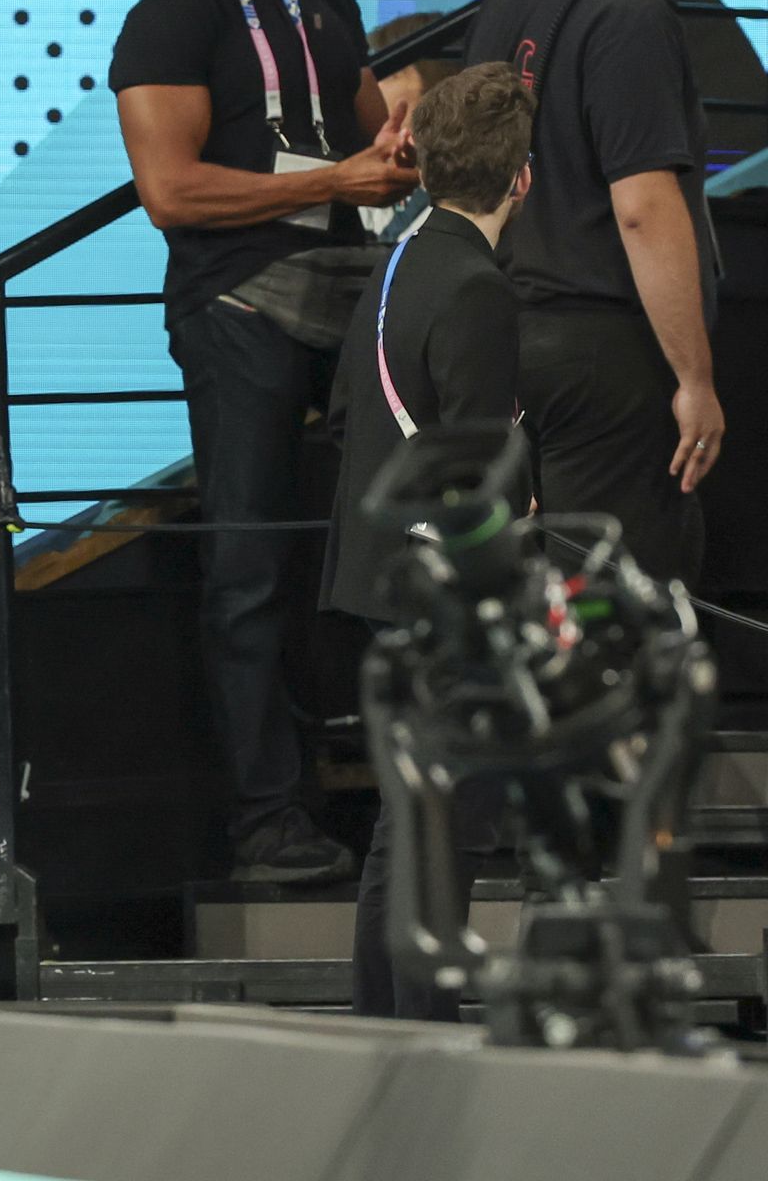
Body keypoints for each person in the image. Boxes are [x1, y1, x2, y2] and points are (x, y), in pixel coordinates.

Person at [111, 0, 419, 885]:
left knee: (390, 556)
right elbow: (167, 190)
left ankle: (416, 801)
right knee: (247, 569)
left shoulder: (327, 1)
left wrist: (404, 130)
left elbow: (368, 136)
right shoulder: (172, 14)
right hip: (238, 303)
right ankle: (264, 824)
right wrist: (339, 176)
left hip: (350, 297)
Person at [320, 63, 537, 1021]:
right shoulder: (477, 286)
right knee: (441, 835)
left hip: (382, 581)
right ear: (523, 178)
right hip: (452, 598)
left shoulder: (403, 257)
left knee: (404, 834)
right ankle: (424, 1046)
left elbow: (338, 416)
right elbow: (484, 476)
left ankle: (388, 1038)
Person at [464, 0, 720, 588]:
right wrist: (695, 380)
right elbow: (642, 207)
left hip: (507, 342)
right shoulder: (629, 10)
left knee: (543, 610)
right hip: (606, 355)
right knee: (624, 608)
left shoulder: (499, 12)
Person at [360, 12, 456, 240]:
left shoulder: (468, 194)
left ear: (437, 86)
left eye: (388, 74)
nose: (371, 86)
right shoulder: (359, 180)